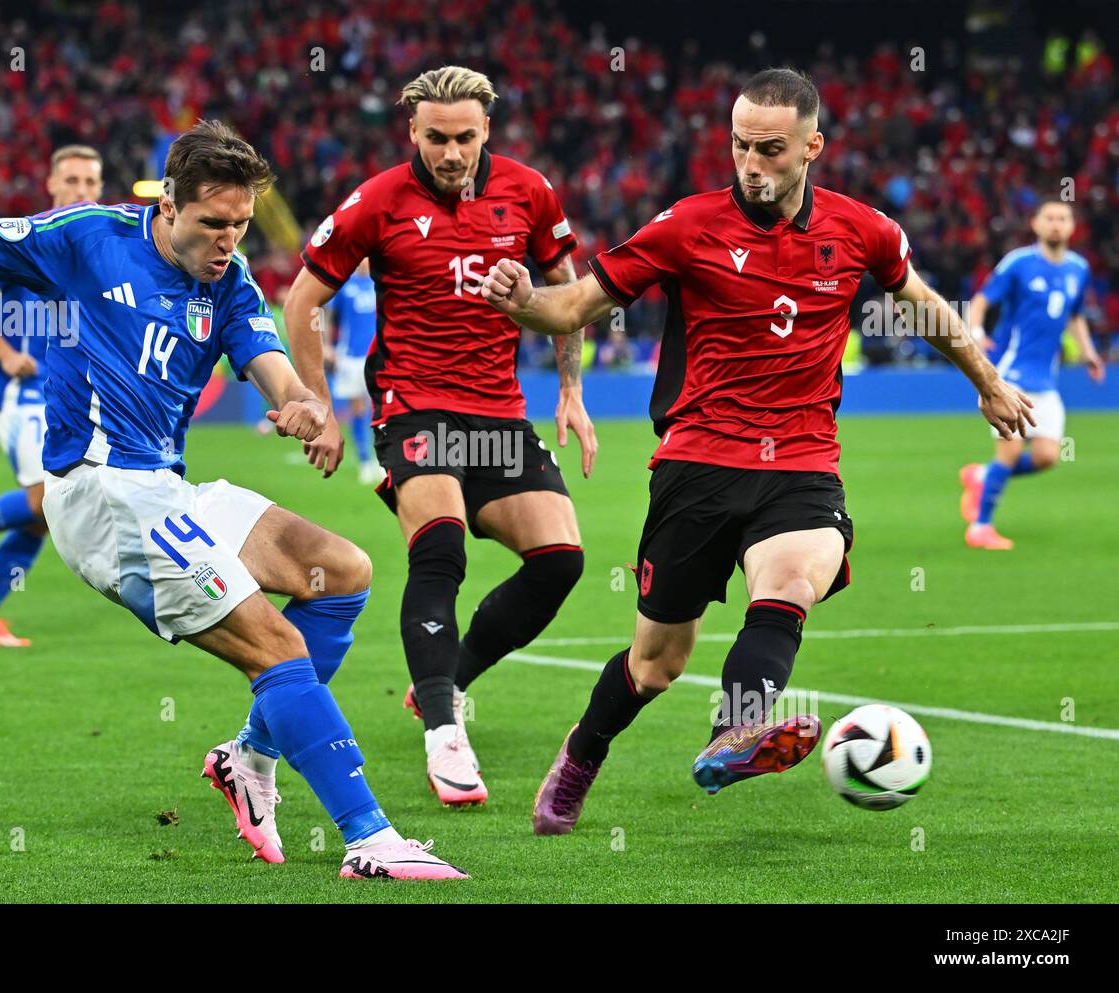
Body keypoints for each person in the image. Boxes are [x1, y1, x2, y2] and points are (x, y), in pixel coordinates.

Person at [0, 71, 465, 881]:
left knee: (342, 571)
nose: (229, 241)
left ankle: (249, 758)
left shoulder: (231, 281)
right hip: (101, 494)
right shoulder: (84, 237)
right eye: (214, 224)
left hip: (168, 486)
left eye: (242, 225)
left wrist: (304, 406)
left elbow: (276, 373)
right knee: (278, 644)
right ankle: (369, 838)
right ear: (168, 209)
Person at [480, 68, 1034, 835]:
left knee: (795, 577)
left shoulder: (861, 229)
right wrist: (523, 302)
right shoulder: (684, 227)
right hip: (699, 461)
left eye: (770, 149)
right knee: (655, 665)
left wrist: (987, 381)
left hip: (803, 457)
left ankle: (734, 732)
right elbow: (572, 304)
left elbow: (926, 307)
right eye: (740, 145)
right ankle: (582, 751)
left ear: (812, 146)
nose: (751, 163)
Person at [284, 66, 597, 808]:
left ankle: (446, 681)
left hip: (498, 413)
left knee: (560, 560)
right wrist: (320, 406)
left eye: (463, 137)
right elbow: (302, 300)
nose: (450, 153)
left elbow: (570, 291)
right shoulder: (378, 200)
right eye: (435, 138)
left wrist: (572, 388)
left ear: (486, 129)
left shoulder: (529, 192)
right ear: (412, 132)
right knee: (442, 545)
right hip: (413, 407)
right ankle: (444, 733)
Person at [0, 145, 103, 646]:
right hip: (21, 391)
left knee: (47, 513)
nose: (82, 191)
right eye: (72, 181)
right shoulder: (26, 236)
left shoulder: (98, 247)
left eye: (91, 183)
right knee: (46, 496)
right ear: (51, 186)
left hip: (68, 398)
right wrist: (6, 354)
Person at [959, 199, 1105, 549]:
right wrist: (977, 333)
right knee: (1009, 451)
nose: (1056, 224)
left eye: (1063, 218)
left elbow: (1074, 315)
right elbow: (980, 301)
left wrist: (1088, 353)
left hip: (1046, 381)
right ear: (1036, 224)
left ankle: (982, 477)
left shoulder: (1077, 268)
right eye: (1049, 218)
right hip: (1012, 375)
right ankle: (980, 526)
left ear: (1072, 227)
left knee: (1046, 457)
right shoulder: (1019, 263)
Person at [324, 259, 383, 483]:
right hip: (350, 355)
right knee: (358, 408)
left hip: (377, 356)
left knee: (379, 409)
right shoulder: (345, 286)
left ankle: (380, 459)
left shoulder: (379, 283)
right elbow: (328, 315)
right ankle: (365, 460)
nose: (364, 262)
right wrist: (327, 345)